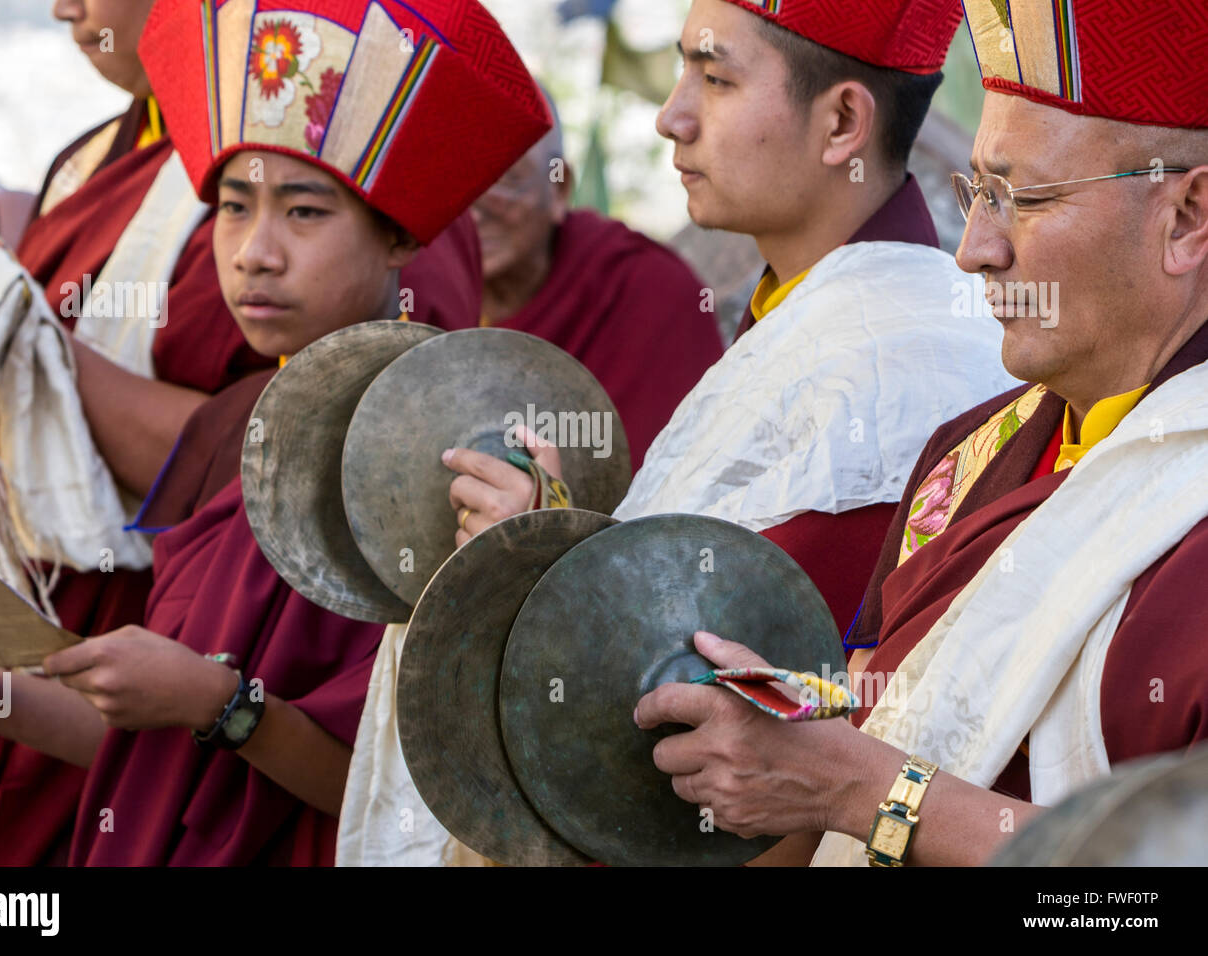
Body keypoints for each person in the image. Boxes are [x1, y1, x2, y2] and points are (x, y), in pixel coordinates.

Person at [337, 0, 1017, 866]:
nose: (672, 115)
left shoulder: (895, 371)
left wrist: (526, 591)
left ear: (843, 121)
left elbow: (733, 731)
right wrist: (547, 552)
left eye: (716, 77)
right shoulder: (801, 316)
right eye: (681, 71)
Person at [0, 0, 548, 866]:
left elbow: (408, 791)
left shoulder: (440, 461)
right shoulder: (233, 436)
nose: (255, 252)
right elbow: (149, 744)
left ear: (401, 234)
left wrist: (224, 704)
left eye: (303, 213)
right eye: (230, 206)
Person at [635, 0, 1208, 867]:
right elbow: (873, 724)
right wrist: (783, 736)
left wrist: (871, 792)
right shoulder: (965, 455)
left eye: (1027, 199)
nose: (977, 248)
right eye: (978, 192)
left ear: (1188, 217)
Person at [429, 88, 724, 467]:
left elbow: (664, 494)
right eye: (454, 180)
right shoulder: (418, 283)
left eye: (504, 178)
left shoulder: (644, 289)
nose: (474, 209)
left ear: (558, 188)